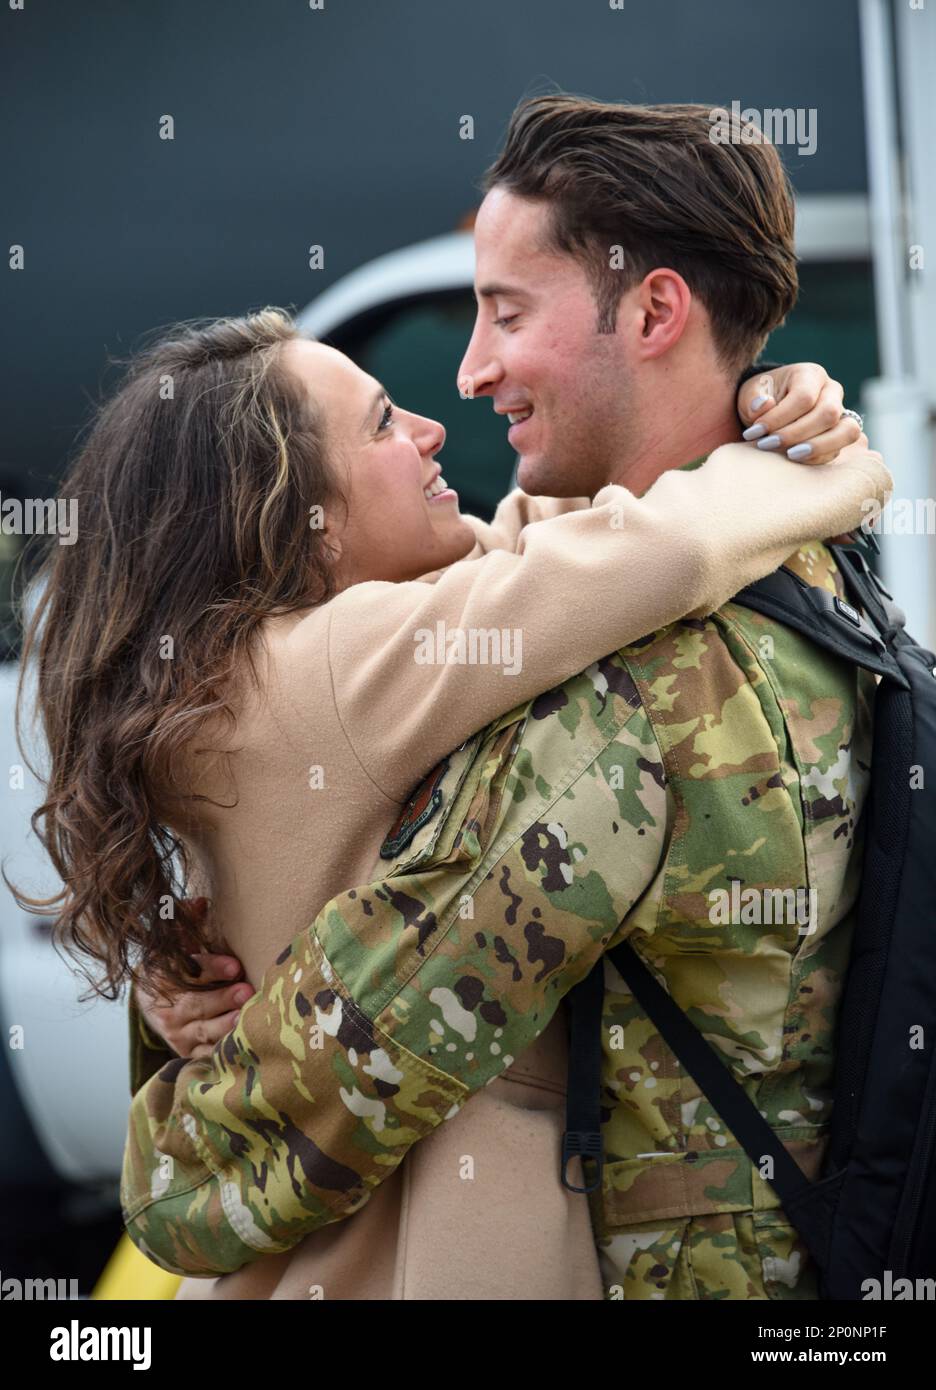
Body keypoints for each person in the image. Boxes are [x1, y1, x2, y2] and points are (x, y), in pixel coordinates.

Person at [119, 95, 890, 1299]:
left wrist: (164, 1160)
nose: (466, 379)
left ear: (653, 308)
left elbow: (350, 1066)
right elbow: (559, 563)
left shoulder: (623, 690)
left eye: (504, 313)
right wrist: (815, 452)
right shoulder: (820, 584)